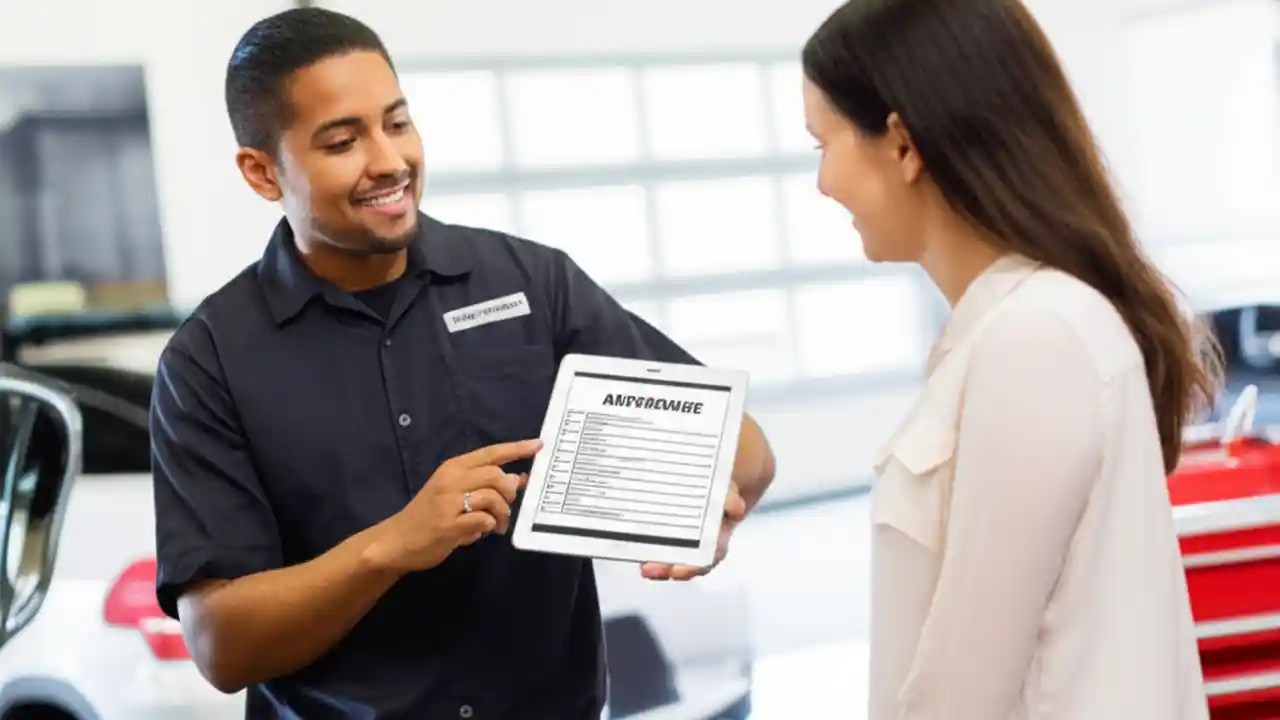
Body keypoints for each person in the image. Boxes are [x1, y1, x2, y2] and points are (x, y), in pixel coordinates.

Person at [148, 8, 776, 719]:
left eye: (397, 122)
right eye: (343, 141)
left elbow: (745, 446)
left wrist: (709, 506)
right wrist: (392, 545)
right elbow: (221, 645)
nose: (389, 160)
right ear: (263, 172)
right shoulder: (210, 363)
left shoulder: (530, 285)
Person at [800, 1, 1220, 718]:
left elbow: (962, 692)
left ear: (902, 144)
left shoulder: (1035, 338)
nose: (822, 183)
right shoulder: (1009, 327)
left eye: (822, 144)